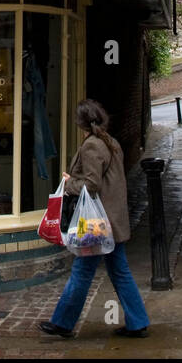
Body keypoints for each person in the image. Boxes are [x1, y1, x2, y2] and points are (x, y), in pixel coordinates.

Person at [40, 99, 150, 339]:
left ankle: (63, 323)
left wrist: (69, 183)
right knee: (120, 271)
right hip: (114, 219)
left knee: (82, 270)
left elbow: (92, 184)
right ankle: (137, 321)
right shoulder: (111, 142)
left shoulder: (92, 145)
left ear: (81, 122)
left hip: (97, 224)